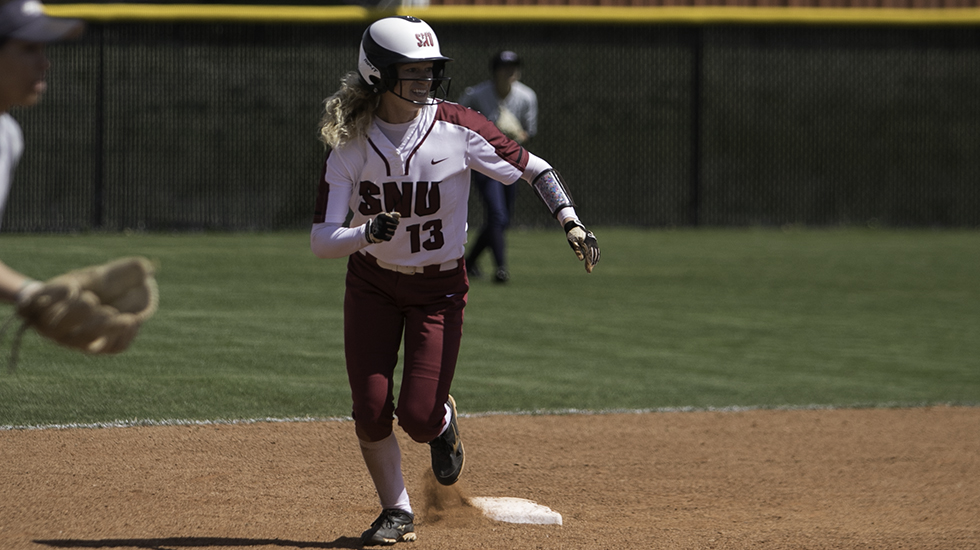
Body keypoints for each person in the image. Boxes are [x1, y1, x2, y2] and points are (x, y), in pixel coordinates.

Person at [309, 16, 599, 546]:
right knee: (371, 411)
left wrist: (571, 220)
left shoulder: (458, 126)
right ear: (377, 75)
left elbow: (536, 167)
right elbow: (322, 240)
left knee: (417, 418)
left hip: (438, 289)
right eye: (411, 71)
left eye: (430, 70)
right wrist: (365, 234)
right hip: (372, 284)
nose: (424, 81)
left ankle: (442, 421)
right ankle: (396, 512)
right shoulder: (351, 143)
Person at [0, 0, 83, 306]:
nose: (44, 62)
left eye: (43, 49)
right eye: (28, 49)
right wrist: (33, 295)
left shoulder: (8, 134)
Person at [457, 50, 538, 283]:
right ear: (494, 71)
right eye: (504, 67)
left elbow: (528, 132)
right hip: (484, 161)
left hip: (511, 163)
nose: (509, 71)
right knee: (497, 213)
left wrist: (515, 133)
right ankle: (501, 268)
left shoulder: (526, 96)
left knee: (502, 219)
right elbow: (458, 121)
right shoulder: (476, 94)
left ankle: (469, 262)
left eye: (513, 66)